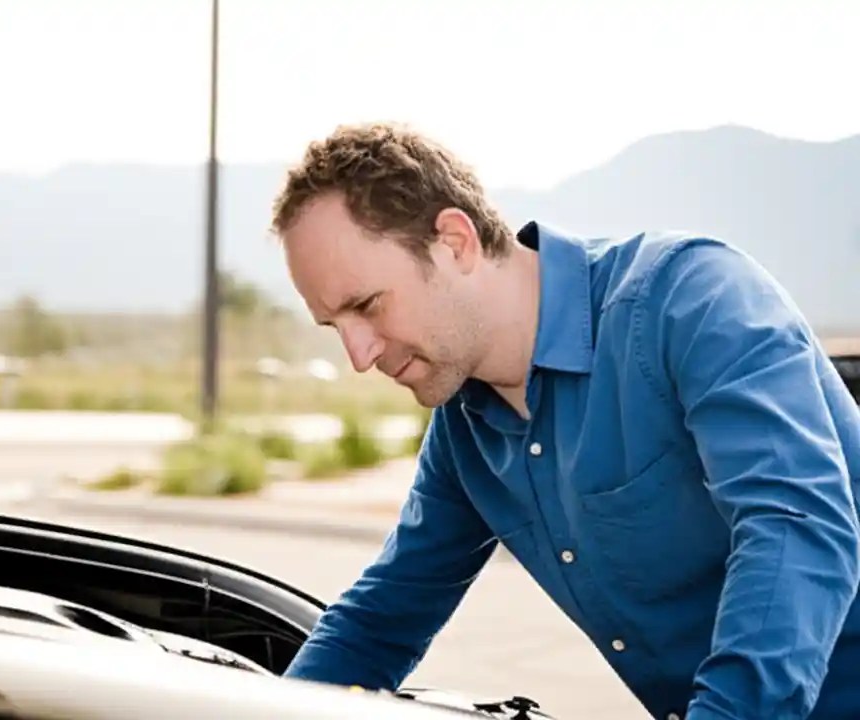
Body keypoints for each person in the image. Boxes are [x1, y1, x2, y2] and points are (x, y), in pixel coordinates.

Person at [269, 121, 860, 720]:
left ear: (454, 241)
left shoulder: (689, 301)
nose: (359, 355)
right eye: (334, 327)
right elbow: (379, 622)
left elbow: (794, 529)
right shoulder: (466, 430)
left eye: (366, 306)